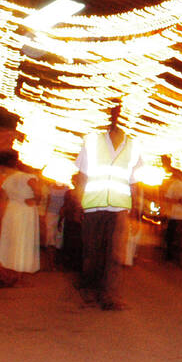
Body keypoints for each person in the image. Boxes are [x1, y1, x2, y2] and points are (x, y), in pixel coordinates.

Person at [75, 103, 142, 309]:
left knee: (114, 253)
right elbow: (82, 175)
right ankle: (90, 290)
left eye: (121, 112)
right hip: (93, 205)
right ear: (108, 114)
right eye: (114, 112)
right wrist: (78, 205)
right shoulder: (92, 141)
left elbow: (134, 181)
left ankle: (109, 296)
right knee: (92, 251)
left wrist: (137, 211)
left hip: (119, 207)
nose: (117, 116)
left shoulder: (134, 146)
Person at [0, 160, 41, 274]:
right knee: (24, 239)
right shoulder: (30, 177)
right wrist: (35, 200)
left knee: (11, 238)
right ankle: (21, 269)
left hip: (11, 210)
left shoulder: (9, 179)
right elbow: (39, 193)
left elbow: (2, 198)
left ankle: (9, 267)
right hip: (25, 211)